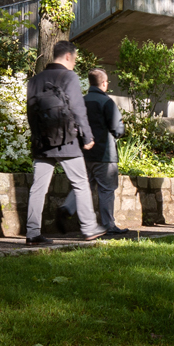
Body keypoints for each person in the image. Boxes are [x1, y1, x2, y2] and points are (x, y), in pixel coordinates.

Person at [24, 41, 104, 245]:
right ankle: (89, 228)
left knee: (38, 188)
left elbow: (31, 113)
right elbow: (78, 108)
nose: (74, 63)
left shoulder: (34, 80)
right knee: (80, 184)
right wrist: (87, 137)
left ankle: (33, 234)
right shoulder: (69, 76)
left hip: (42, 142)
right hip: (67, 141)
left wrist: (37, 138)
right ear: (68, 56)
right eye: (75, 59)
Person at [57, 68, 127, 236]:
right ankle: (108, 225)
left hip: (84, 153)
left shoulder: (80, 101)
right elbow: (117, 129)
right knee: (106, 189)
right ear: (104, 83)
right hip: (105, 154)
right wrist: (120, 132)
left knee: (83, 185)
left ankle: (67, 208)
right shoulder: (107, 102)